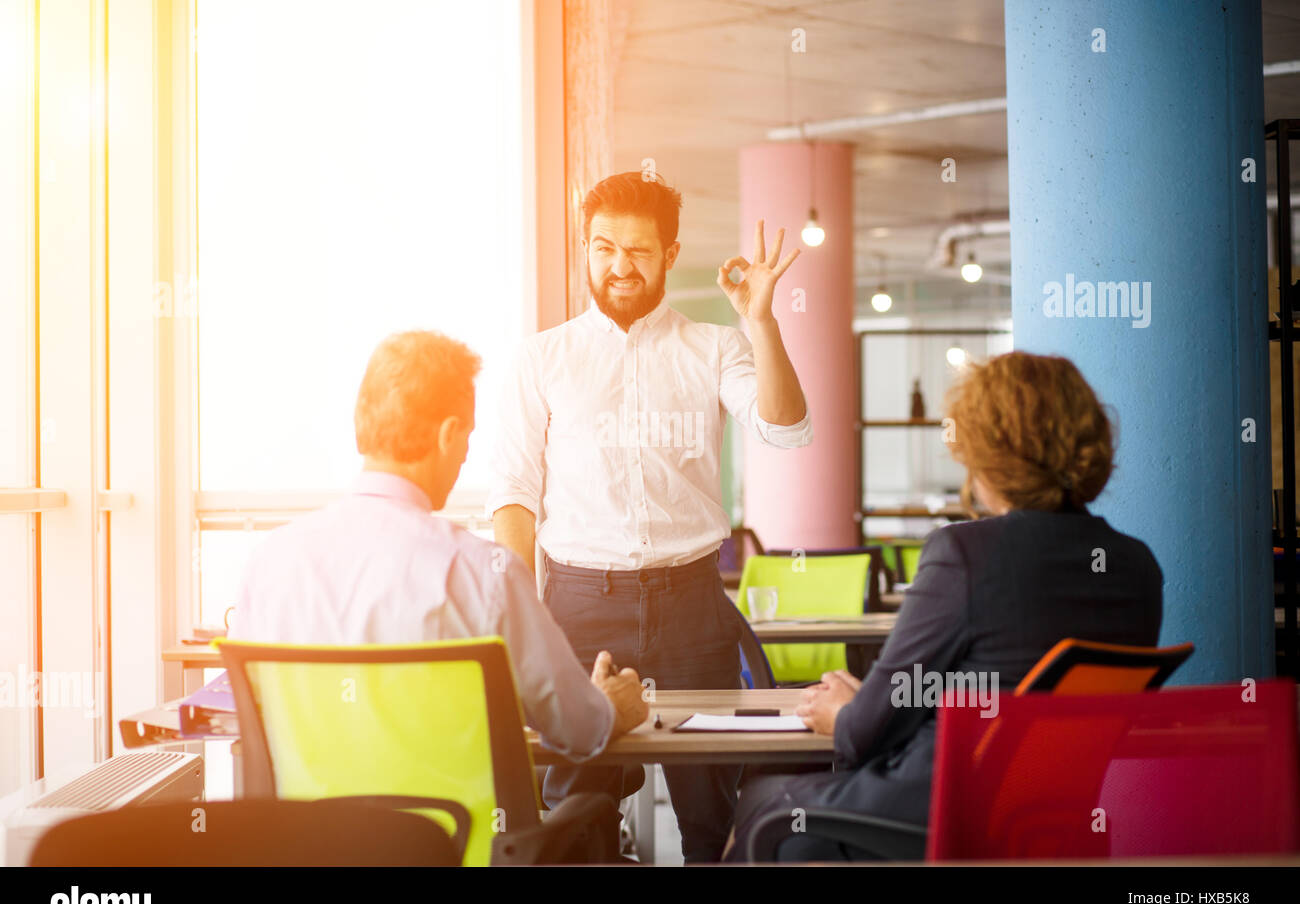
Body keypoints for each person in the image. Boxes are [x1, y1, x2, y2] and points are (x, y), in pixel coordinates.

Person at [725, 351, 1164, 861]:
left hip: (936, 813)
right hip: (1050, 819)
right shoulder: (1138, 568)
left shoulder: (966, 553)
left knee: (761, 794)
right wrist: (870, 701)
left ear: (982, 451)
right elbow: (1009, 684)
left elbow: (868, 733)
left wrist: (850, 711)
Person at [488, 171, 813, 862]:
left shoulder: (714, 347)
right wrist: (521, 615)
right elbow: (513, 490)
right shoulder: (542, 359)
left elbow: (786, 427)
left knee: (708, 812)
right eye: (603, 247)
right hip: (576, 604)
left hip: (691, 603)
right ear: (585, 247)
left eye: (638, 250)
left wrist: (760, 320)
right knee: (577, 807)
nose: (619, 266)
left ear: (670, 254)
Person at [227, 330, 648, 764]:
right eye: (467, 436)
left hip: (300, 831)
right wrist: (613, 705)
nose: (466, 455)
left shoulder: (268, 563)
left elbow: (248, 719)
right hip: (452, 832)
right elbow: (576, 727)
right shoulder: (485, 573)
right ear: (449, 434)